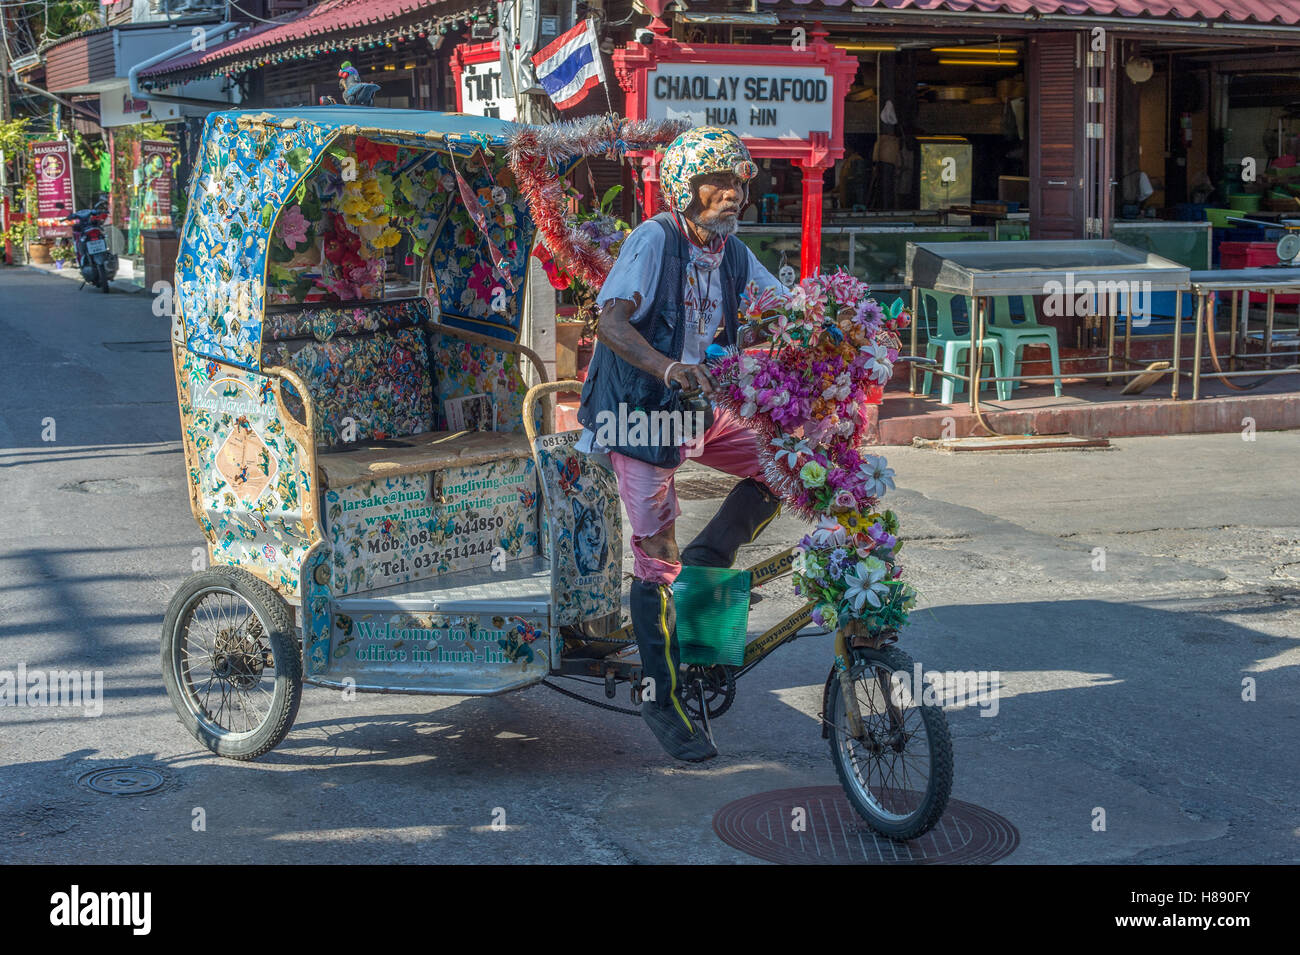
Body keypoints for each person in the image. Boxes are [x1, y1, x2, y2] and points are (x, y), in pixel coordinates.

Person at [576, 127, 787, 763]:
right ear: (682, 189)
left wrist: (845, 327)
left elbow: (787, 308)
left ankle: (712, 553)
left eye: (739, 183)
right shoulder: (654, 239)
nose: (733, 194)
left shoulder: (734, 253)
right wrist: (667, 369)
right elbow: (609, 321)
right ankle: (658, 696)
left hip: (700, 410)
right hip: (639, 415)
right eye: (717, 183)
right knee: (657, 559)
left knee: (789, 462)